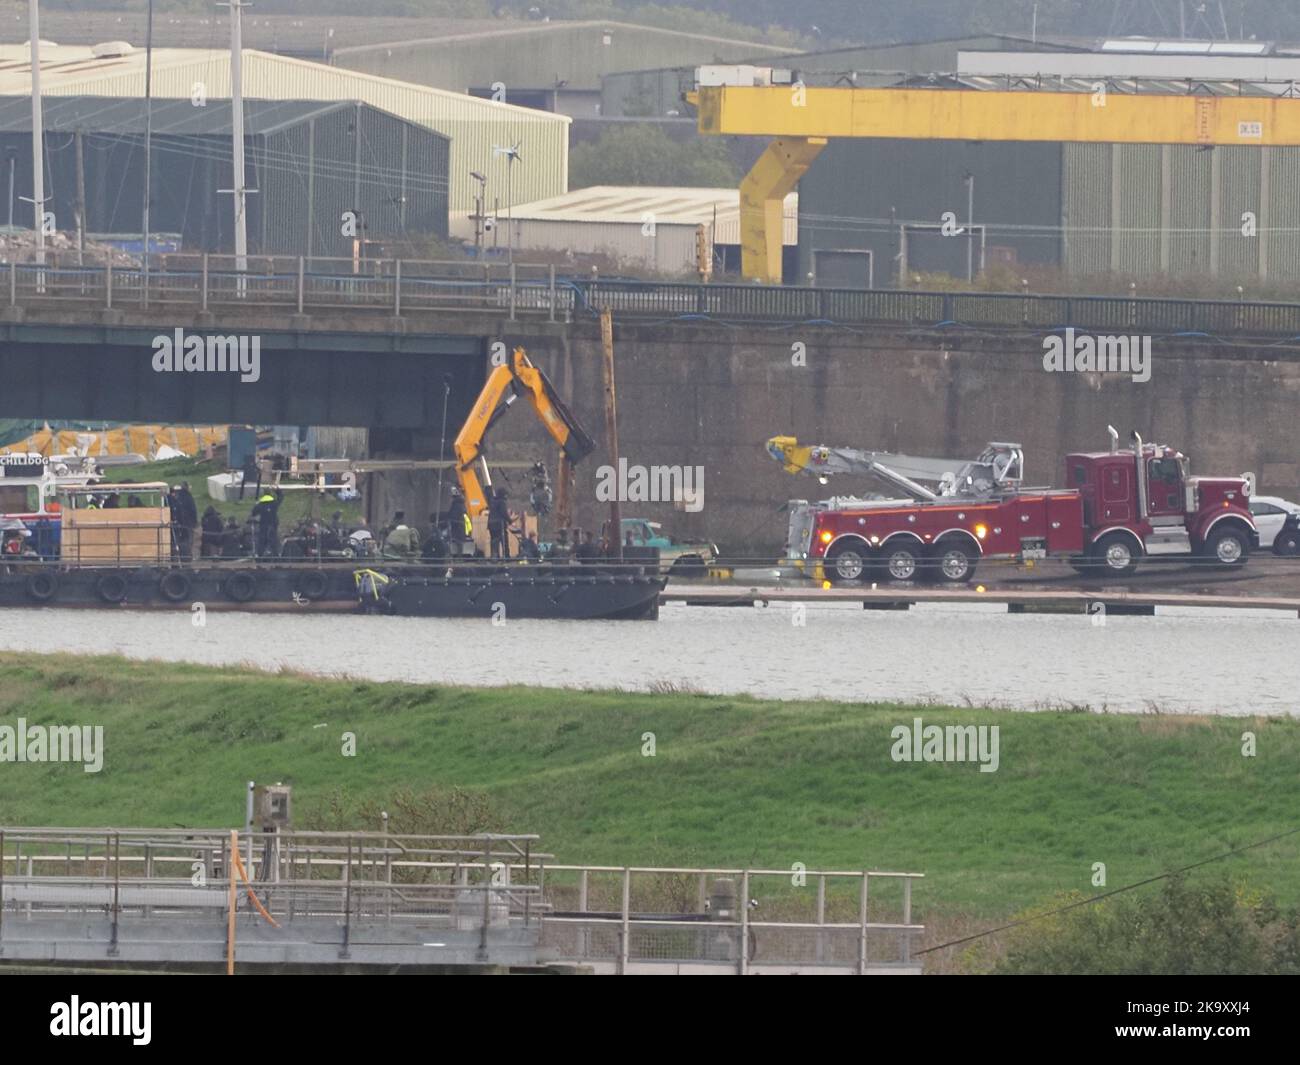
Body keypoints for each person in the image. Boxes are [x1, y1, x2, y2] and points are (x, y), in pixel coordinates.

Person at [250, 489, 283, 558]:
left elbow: (253, 513)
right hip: (273, 523)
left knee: (262, 540)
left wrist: (255, 505)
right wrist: (278, 491)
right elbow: (281, 498)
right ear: (270, 494)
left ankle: (260, 555)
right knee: (273, 539)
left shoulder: (260, 504)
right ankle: (276, 555)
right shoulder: (274, 503)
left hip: (263, 524)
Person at [487, 486, 512, 559]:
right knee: (504, 540)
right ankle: (506, 556)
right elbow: (504, 513)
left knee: (494, 541)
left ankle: (495, 556)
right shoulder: (502, 502)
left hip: (491, 525)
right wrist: (510, 521)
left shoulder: (492, 501)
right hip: (499, 525)